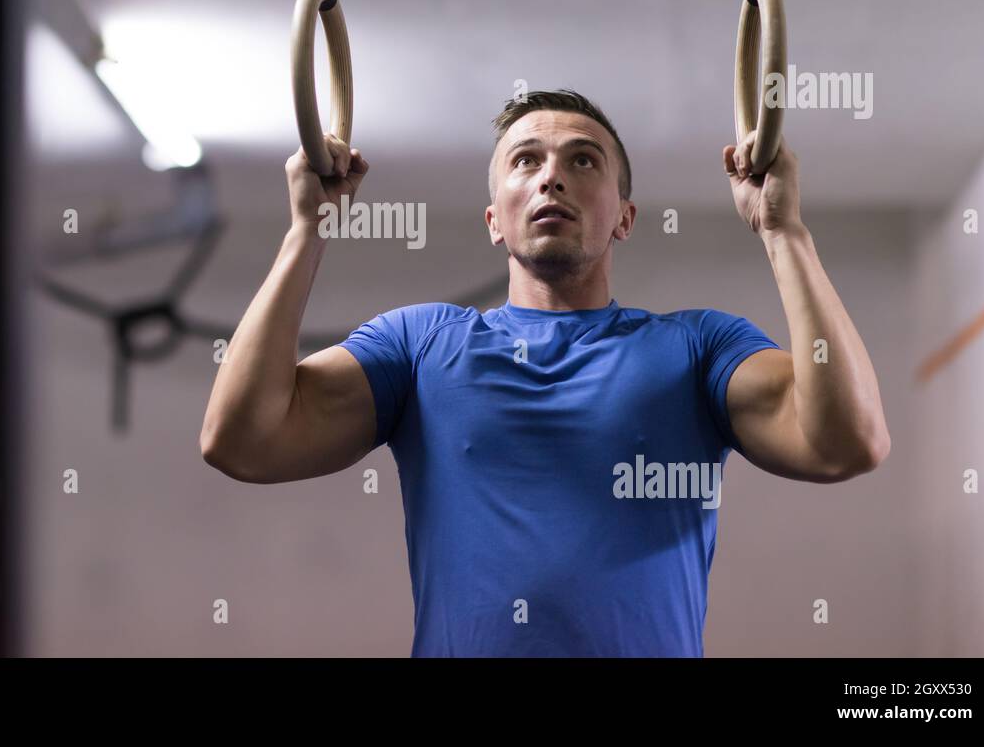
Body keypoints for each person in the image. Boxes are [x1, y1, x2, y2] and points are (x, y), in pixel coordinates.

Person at [200, 88, 890, 656]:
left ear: (624, 216)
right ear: (494, 219)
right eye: (525, 160)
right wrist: (306, 231)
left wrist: (783, 232)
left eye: (583, 160)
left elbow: (849, 440)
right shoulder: (417, 344)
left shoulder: (699, 347)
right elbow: (240, 439)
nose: (551, 175)